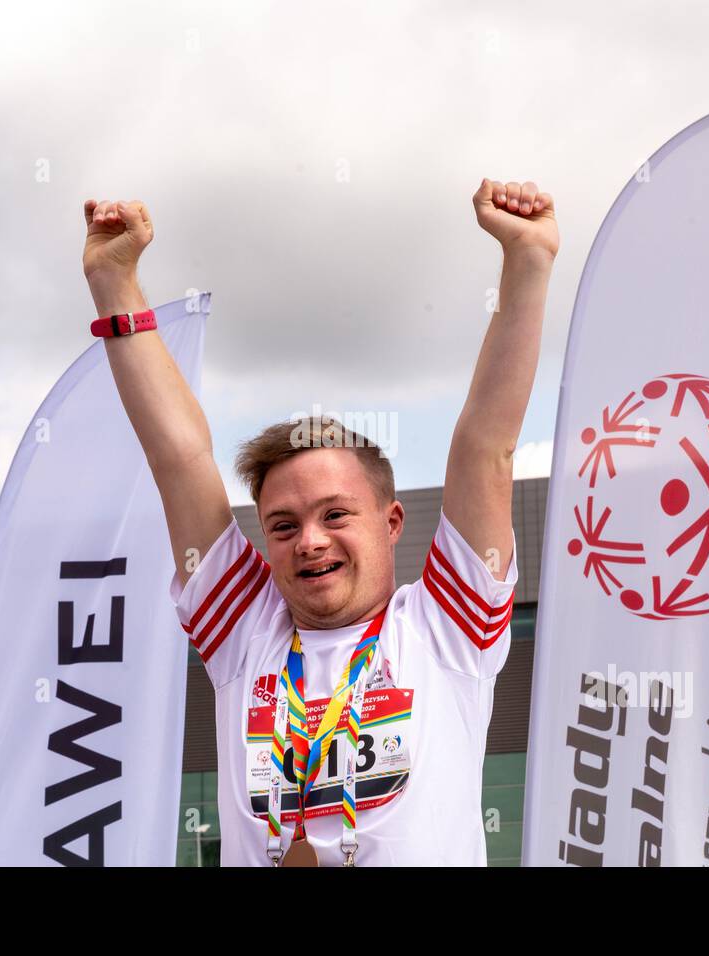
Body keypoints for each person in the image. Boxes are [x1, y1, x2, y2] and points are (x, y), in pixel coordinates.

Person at [81, 178, 557, 865]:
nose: (310, 541)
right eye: (282, 525)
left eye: (336, 515)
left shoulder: (447, 628)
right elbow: (179, 459)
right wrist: (114, 282)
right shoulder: (245, 631)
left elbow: (486, 446)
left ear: (392, 521)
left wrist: (527, 260)